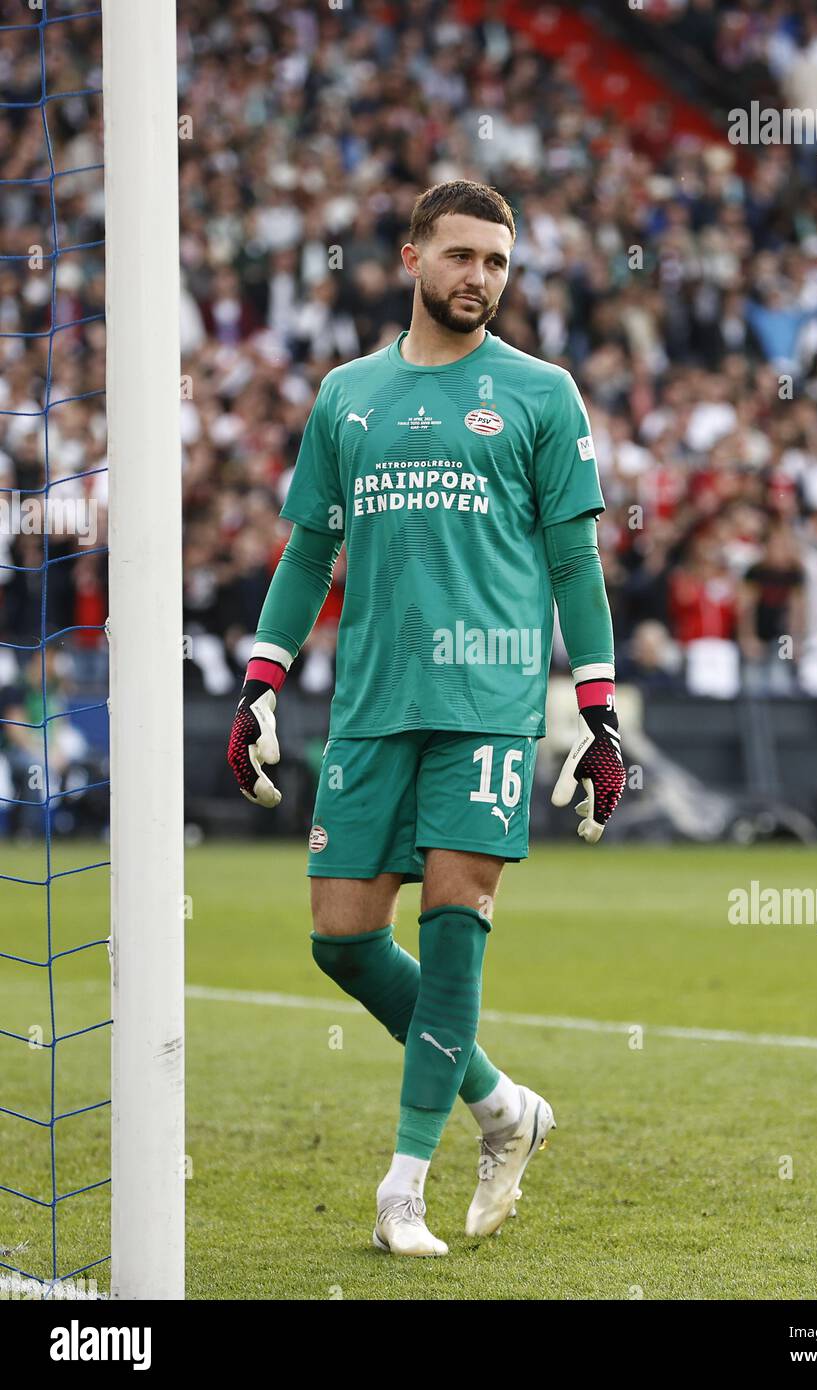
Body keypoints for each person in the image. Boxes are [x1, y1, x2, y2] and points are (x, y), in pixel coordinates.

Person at [226, 181, 626, 1258]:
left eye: (497, 262)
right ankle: (503, 1107)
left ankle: (403, 1184)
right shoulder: (347, 394)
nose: (479, 279)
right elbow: (310, 547)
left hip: (487, 702)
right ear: (412, 259)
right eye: (460, 257)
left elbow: (574, 560)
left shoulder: (543, 394)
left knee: (456, 929)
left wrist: (595, 707)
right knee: (342, 943)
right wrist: (263, 678)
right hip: (369, 704)